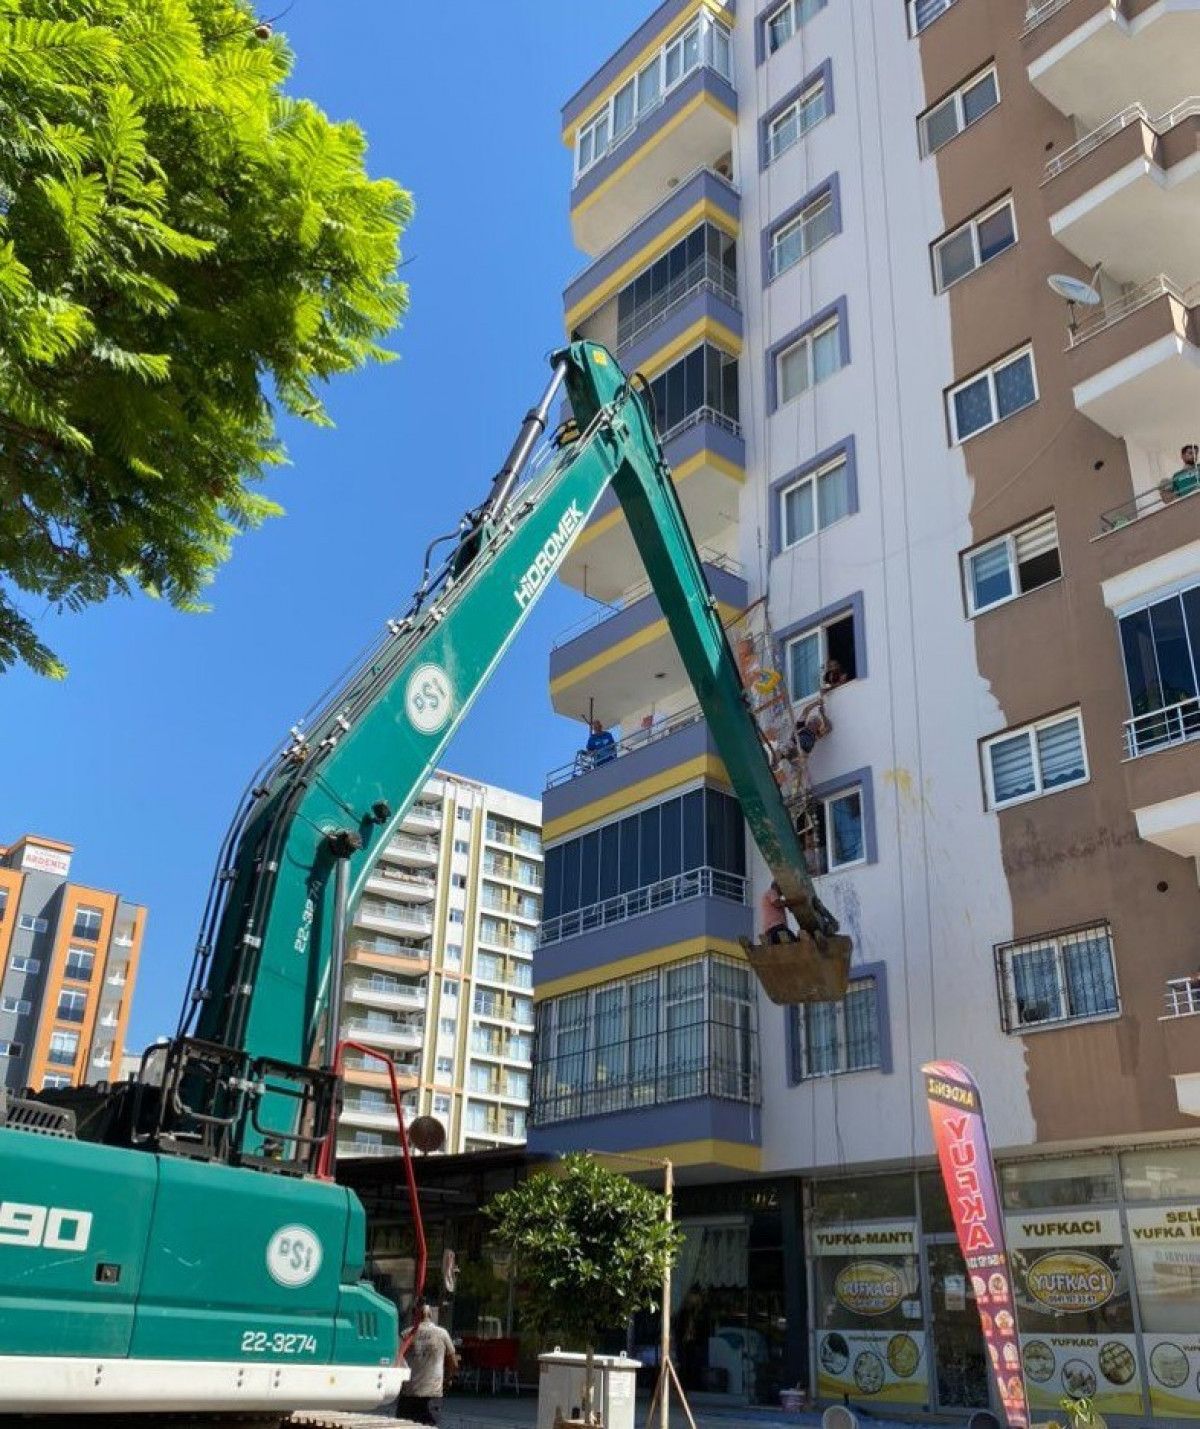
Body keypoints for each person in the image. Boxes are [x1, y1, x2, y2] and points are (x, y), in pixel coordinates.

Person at [397, 1300, 458, 1425]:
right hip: (431, 1394)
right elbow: (453, 1362)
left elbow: (397, 1359)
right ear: (431, 1316)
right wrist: (448, 1379)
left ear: (415, 1315)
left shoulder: (406, 1334)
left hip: (409, 1393)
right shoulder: (442, 1334)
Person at [760, 879, 794, 944]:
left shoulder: (771, 895)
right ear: (777, 885)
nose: (783, 891)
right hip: (776, 927)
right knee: (794, 943)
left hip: (772, 929)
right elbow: (777, 903)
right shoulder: (771, 892)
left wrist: (789, 904)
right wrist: (795, 901)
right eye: (782, 887)